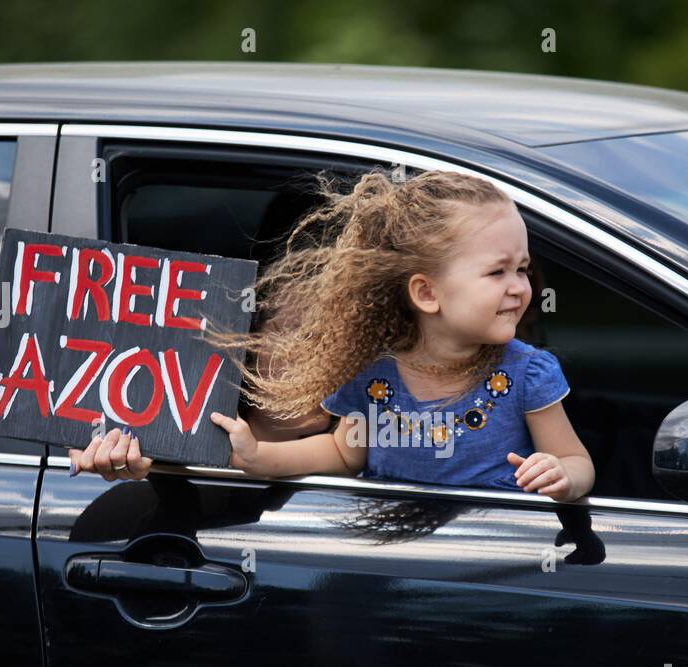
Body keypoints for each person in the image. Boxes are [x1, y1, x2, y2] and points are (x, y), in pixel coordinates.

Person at [70, 168, 594, 502]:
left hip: (498, 561)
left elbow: (576, 463)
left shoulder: (527, 373)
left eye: (522, 271)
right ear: (426, 294)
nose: (518, 287)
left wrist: (563, 477)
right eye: (498, 272)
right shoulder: (377, 377)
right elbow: (344, 453)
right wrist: (252, 456)